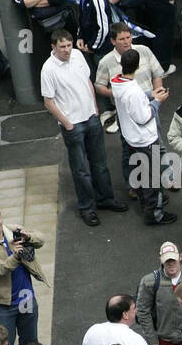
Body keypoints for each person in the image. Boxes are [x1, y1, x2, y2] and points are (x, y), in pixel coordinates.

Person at [41, 30, 129, 228]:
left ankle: (105, 199)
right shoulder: (48, 69)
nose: (66, 50)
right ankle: (87, 207)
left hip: (91, 117)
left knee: (100, 163)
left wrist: (95, 107)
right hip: (73, 124)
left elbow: (88, 81)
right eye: (62, 47)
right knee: (81, 170)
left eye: (69, 45)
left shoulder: (78, 56)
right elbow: (48, 101)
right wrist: (67, 123)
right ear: (53, 47)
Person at [0, 205, 47, 345]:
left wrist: (28, 236)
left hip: (25, 296)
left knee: (31, 343)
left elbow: (41, 239)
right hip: (3, 305)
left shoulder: (11, 230)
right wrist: (15, 255)